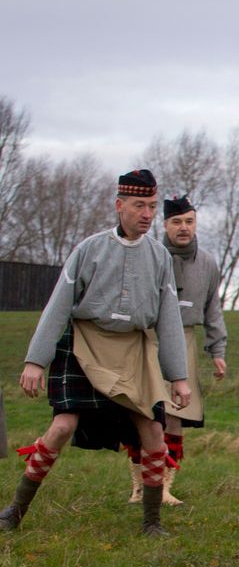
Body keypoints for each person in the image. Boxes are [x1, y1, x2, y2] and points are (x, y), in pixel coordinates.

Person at [0, 169, 191, 537]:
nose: (147, 214)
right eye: (139, 206)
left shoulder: (159, 257)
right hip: (84, 345)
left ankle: (152, 523)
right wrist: (35, 360)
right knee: (61, 426)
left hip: (133, 351)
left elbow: (168, 318)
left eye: (152, 206)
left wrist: (178, 376)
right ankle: (14, 512)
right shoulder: (88, 249)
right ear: (120, 206)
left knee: (153, 430)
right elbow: (58, 305)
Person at [122, 194, 227, 506]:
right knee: (140, 411)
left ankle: (164, 486)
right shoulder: (148, 255)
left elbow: (213, 309)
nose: (184, 228)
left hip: (184, 337)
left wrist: (217, 350)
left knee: (176, 414)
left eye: (190, 222)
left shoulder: (207, 263)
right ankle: (139, 486)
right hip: (146, 337)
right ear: (165, 224)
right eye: (177, 222)